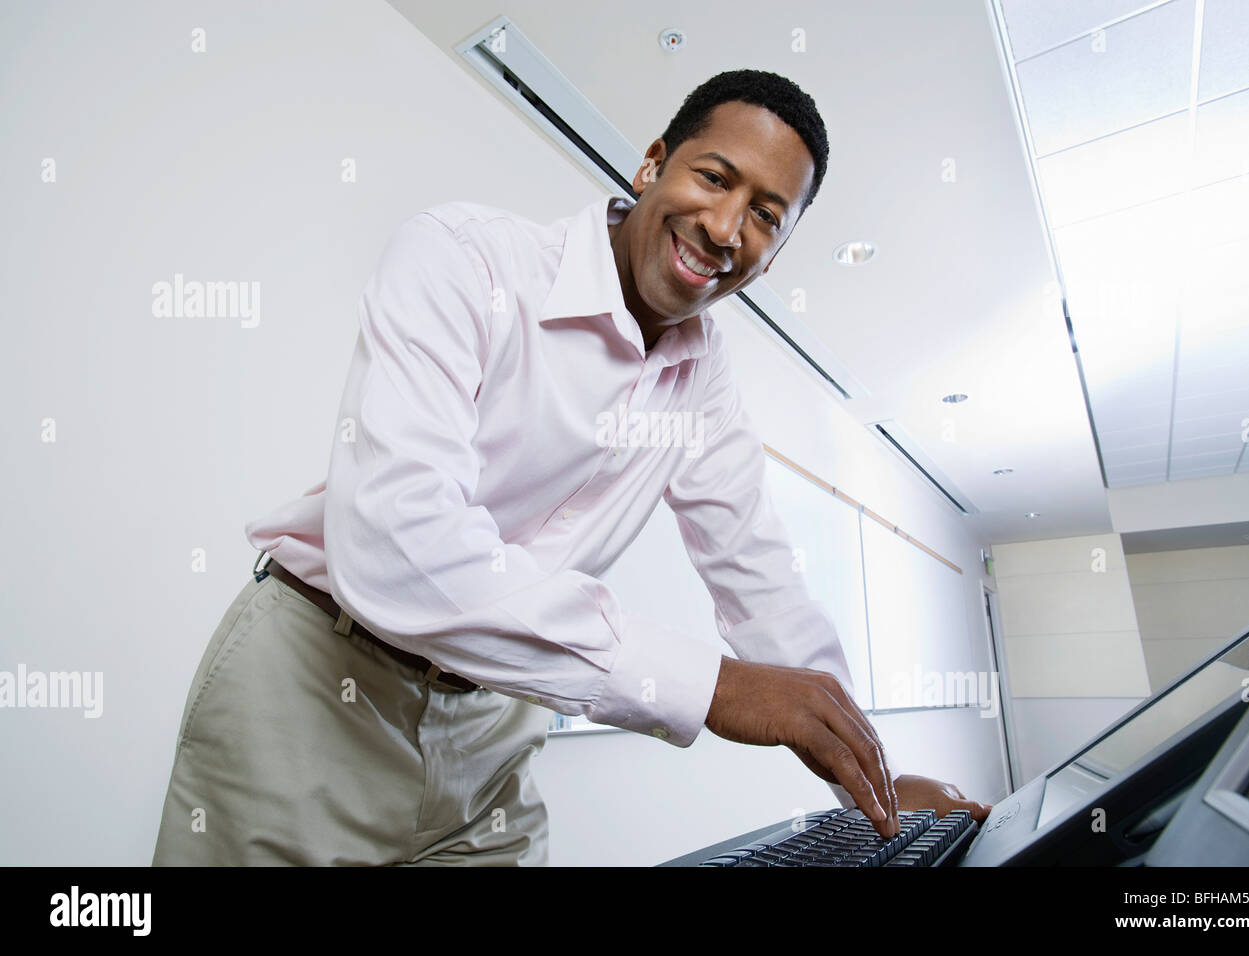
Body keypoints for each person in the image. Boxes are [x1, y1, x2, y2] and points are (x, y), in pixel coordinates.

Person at [151, 68, 992, 867]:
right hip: (316, 682)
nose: (727, 228)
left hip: (492, 725)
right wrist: (714, 688)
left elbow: (760, 575)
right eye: (714, 177)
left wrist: (866, 777)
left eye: (767, 215)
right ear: (653, 162)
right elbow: (403, 544)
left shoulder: (707, 379)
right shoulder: (464, 258)